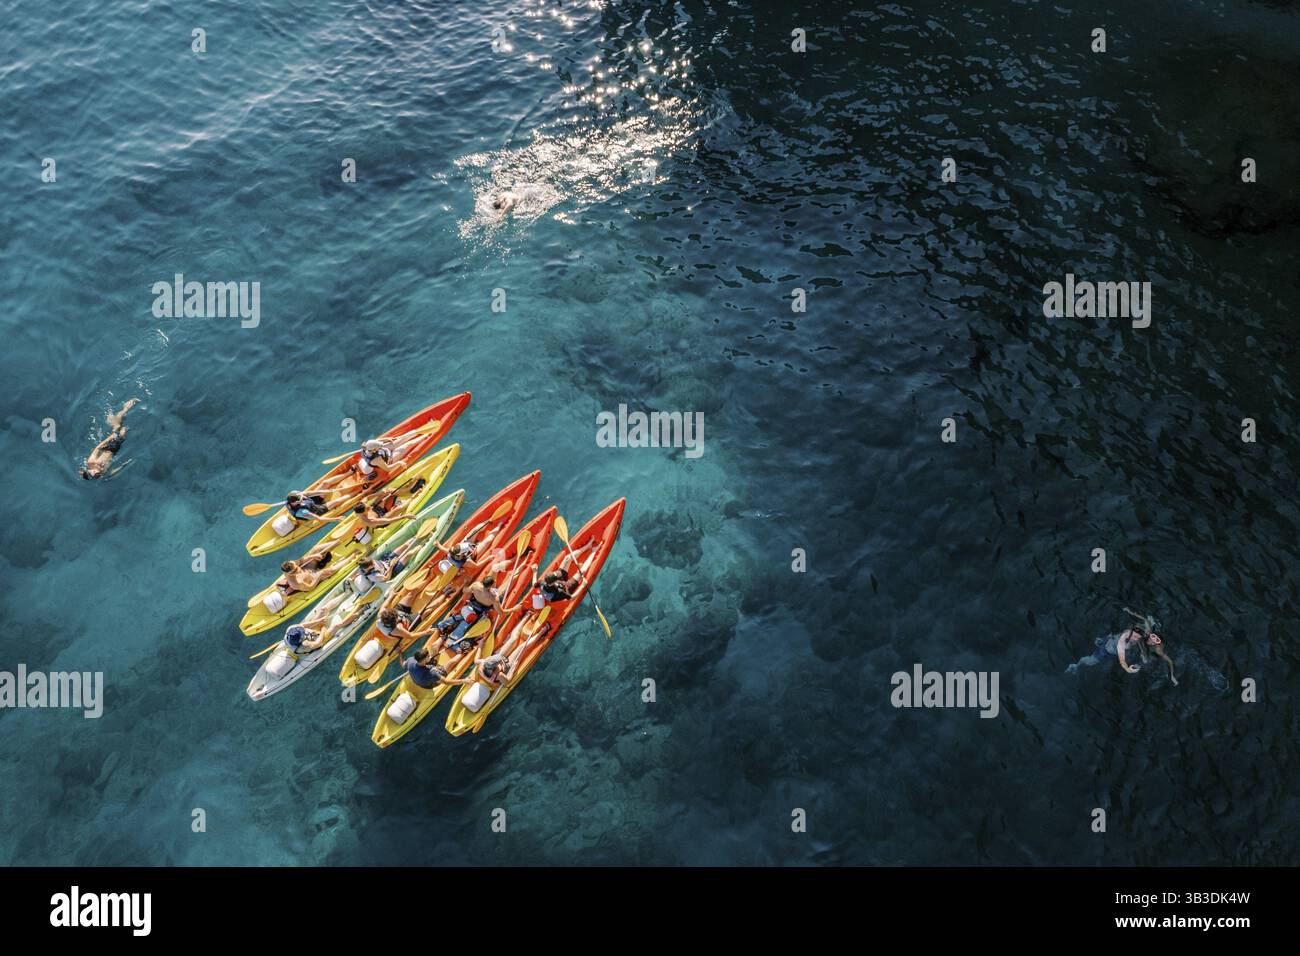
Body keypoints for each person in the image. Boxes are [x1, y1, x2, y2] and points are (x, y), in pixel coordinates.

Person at [80, 399, 139, 479]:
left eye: (91, 472)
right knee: (123, 428)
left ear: (90, 470)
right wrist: (124, 465)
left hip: (109, 446)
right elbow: (113, 471)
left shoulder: (91, 462)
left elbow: (97, 448)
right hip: (115, 450)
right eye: (94, 475)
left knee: (118, 426)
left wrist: (109, 438)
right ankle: (111, 419)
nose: (94, 472)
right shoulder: (103, 473)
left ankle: (126, 407)